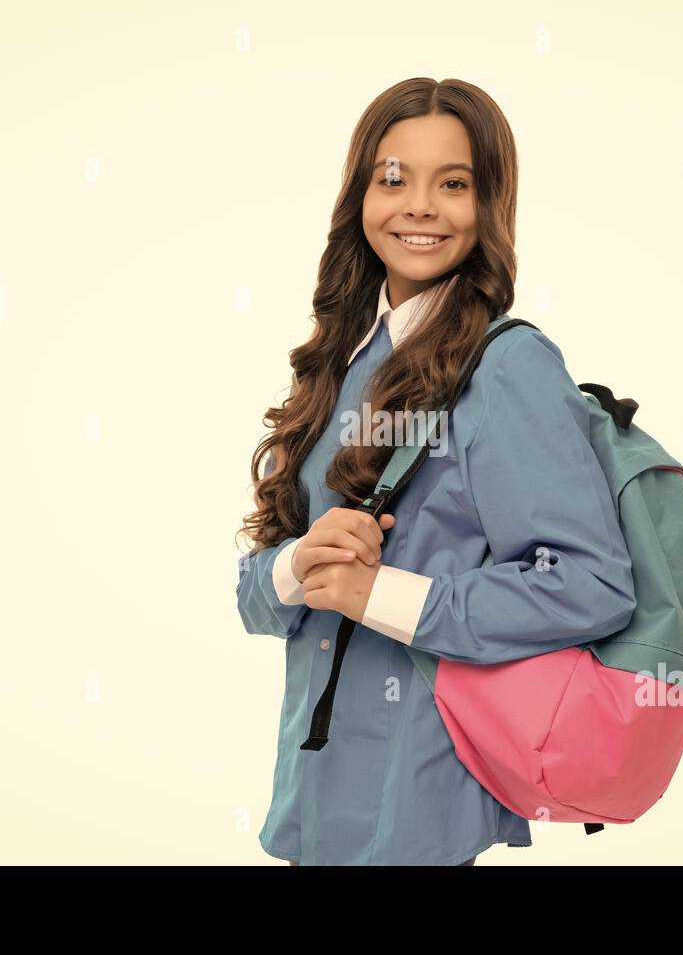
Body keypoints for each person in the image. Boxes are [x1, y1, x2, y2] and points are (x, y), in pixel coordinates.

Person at [235, 77, 636, 866]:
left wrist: (382, 593)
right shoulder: (338, 361)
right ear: (360, 196)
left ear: (490, 206)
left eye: (453, 183)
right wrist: (295, 567)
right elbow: (257, 595)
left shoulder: (510, 365)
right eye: (394, 178)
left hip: (424, 804)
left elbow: (593, 584)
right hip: (312, 804)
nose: (419, 205)